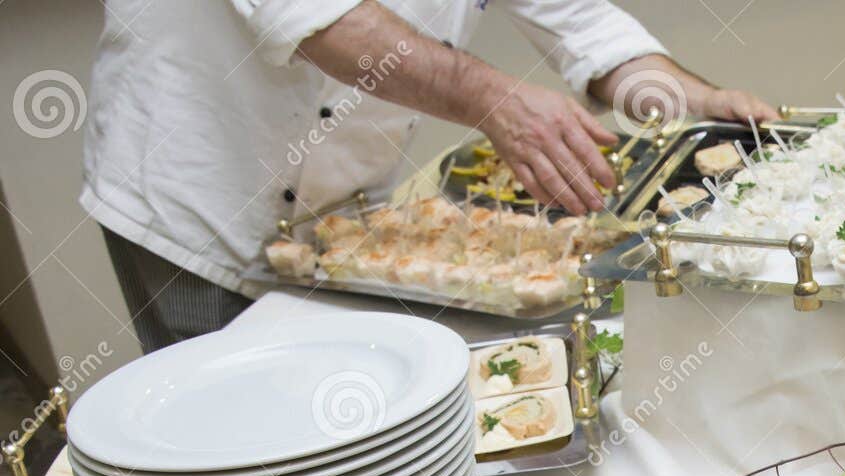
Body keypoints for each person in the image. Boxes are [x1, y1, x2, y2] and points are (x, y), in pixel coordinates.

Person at [81, 0, 776, 352]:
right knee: (236, 464)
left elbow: (581, 24)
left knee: (354, 431)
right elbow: (324, 19)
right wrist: (495, 100)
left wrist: (690, 105)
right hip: (202, 194)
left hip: (347, 207)